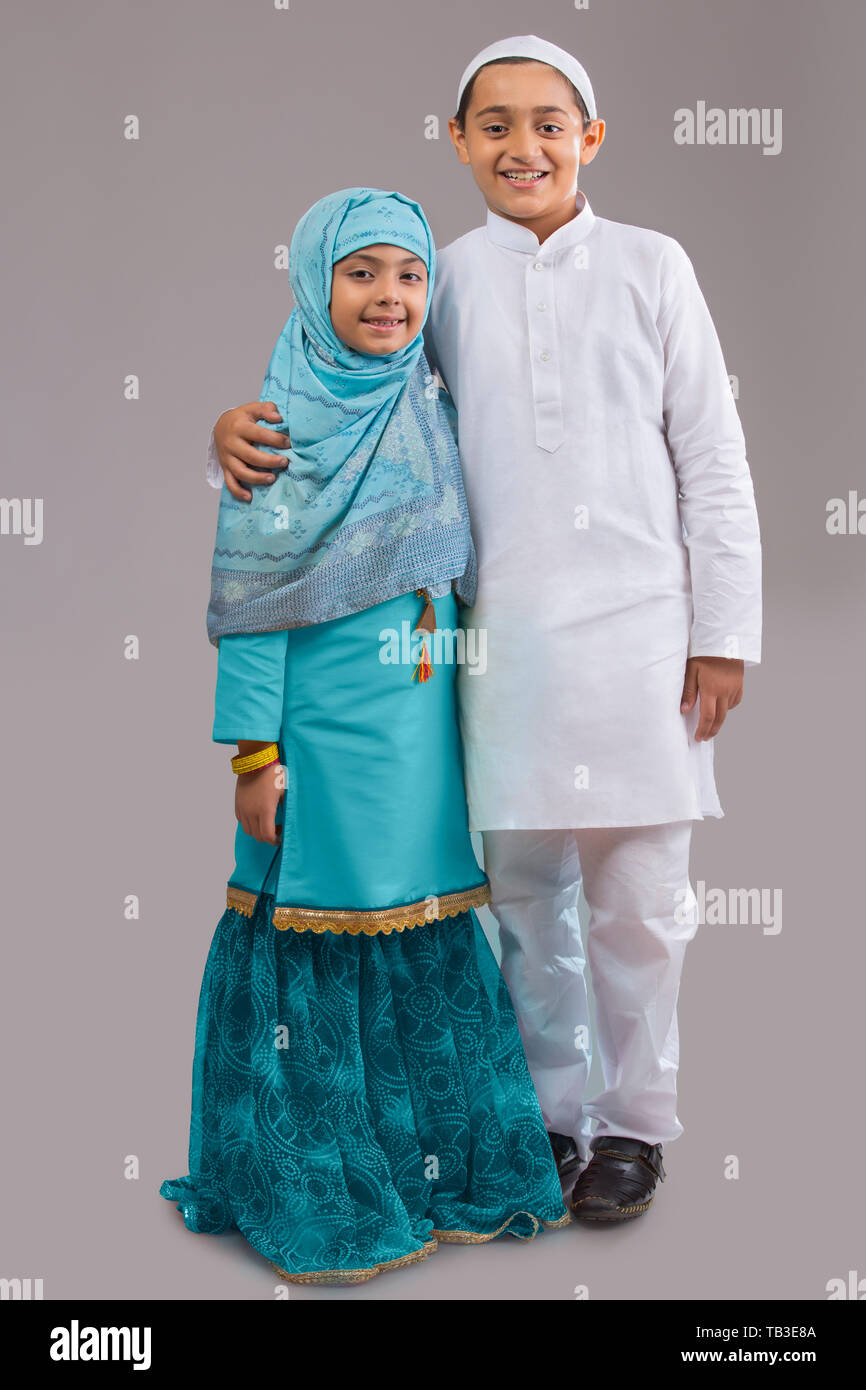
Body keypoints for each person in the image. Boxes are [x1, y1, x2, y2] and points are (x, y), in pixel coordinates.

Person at [206, 36, 763, 1225]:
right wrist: (232, 430)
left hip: (642, 637)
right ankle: (544, 1119)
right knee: (522, 904)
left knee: (642, 904)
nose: (524, 146)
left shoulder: (652, 266)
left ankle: (635, 1127)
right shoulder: (442, 274)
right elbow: (345, 383)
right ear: (455, 144)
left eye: (549, 122)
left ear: (590, 138)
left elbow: (713, 456)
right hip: (493, 648)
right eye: (495, 125)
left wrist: (721, 630)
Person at [160, 186, 571, 1286]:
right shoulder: (276, 430)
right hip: (325, 737)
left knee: (422, 909)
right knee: (323, 915)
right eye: (359, 273)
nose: (387, 297)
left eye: (407, 275)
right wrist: (254, 755)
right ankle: (321, 1176)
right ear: (311, 285)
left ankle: (430, 1171)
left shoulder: (421, 402)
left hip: (426, 729)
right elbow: (251, 609)